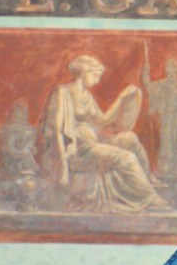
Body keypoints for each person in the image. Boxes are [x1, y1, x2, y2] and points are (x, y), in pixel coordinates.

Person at [41, 55, 169, 214]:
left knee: (130, 138)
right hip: (80, 148)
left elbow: (103, 120)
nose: (97, 80)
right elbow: (57, 130)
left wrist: (122, 98)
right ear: (83, 73)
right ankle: (149, 198)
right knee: (126, 157)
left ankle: (147, 179)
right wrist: (63, 167)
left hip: (93, 140)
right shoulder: (62, 92)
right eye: (95, 75)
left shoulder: (86, 96)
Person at [141, 47, 177, 194]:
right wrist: (145, 75)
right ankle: (166, 174)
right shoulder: (162, 85)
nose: (171, 74)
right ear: (166, 72)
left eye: (174, 71)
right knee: (167, 146)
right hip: (168, 121)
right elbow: (149, 87)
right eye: (169, 71)